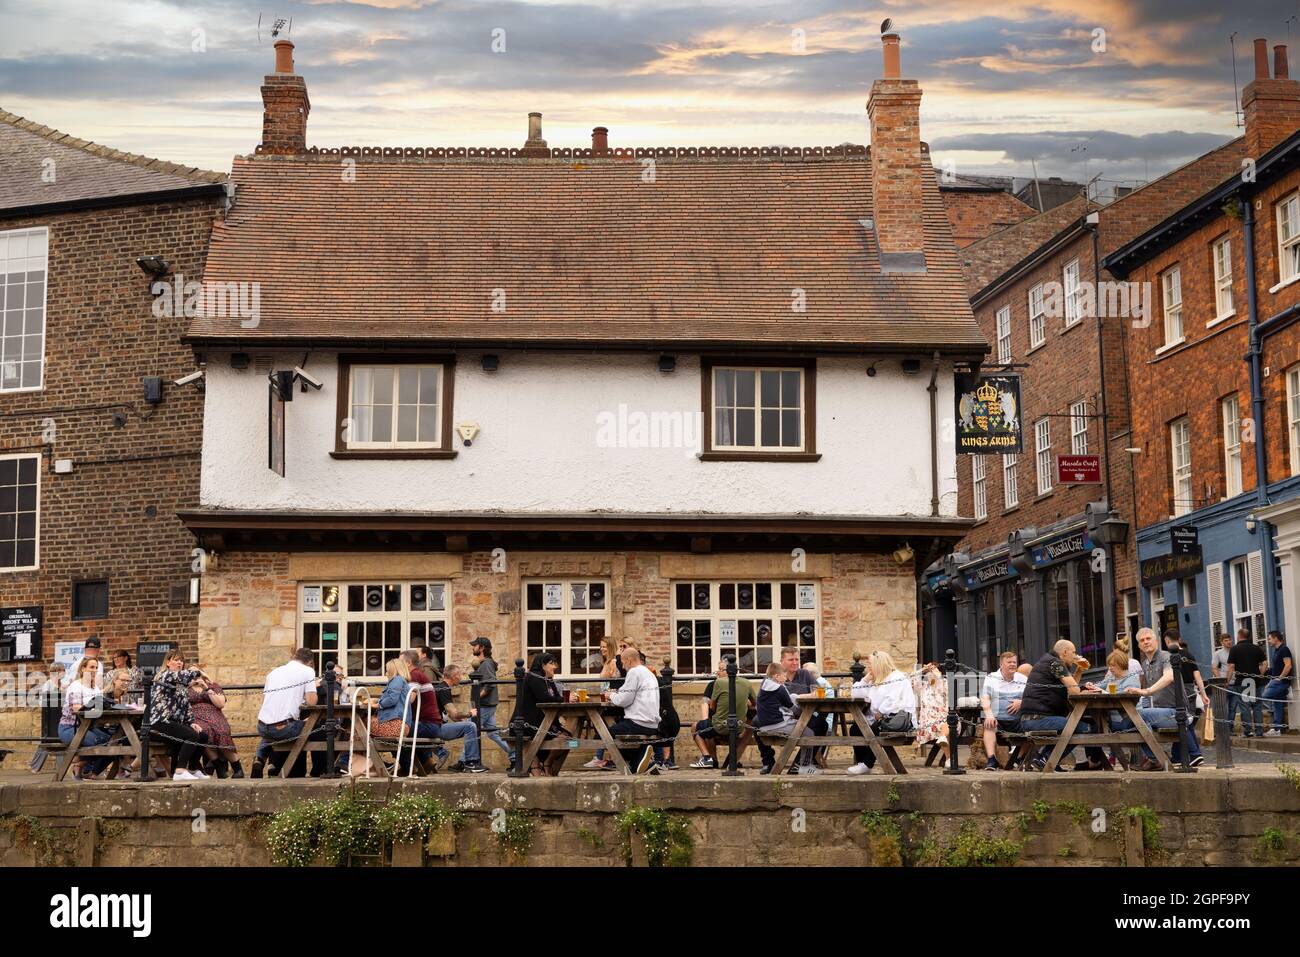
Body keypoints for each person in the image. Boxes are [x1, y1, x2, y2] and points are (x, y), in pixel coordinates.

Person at [1016, 639, 1108, 772]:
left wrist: (1080, 669)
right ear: (1065, 652)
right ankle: (1048, 758)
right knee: (1086, 727)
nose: (1076, 656)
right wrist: (1083, 690)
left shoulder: (1049, 661)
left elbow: (1070, 688)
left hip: (1033, 718)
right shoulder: (1055, 663)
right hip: (1038, 719)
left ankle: (1043, 758)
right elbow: (1074, 691)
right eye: (1074, 653)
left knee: (1079, 725)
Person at [1120, 627, 1203, 769]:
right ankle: (1159, 756)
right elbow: (1147, 695)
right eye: (1142, 640)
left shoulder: (1166, 656)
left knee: (1135, 717)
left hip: (1177, 712)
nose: (1146, 642)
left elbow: (1169, 677)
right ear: (1139, 646)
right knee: (1132, 720)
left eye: (1148, 639)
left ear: (1156, 641)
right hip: (1162, 712)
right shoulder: (1145, 664)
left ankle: (1156, 758)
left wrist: (1147, 691)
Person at [847, 650, 917, 775]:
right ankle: (861, 763)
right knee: (855, 728)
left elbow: (893, 702)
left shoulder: (897, 678)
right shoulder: (876, 679)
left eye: (870, 665)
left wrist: (880, 713)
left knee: (874, 728)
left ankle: (867, 764)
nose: (868, 668)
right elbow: (856, 695)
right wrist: (865, 680)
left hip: (898, 720)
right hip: (879, 719)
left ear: (879, 664)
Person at [252, 648, 318, 778]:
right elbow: (312, 702)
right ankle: (315, 769)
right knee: (314, 725)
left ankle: (260, 758)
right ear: (310, 662)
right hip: (284, 729)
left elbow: (265, 700)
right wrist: (313, 687)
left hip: (262, 727)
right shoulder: (308, 671)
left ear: (294, 657)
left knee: (271, 731)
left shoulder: (274, 672)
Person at [148, 651, 211, 781]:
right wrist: (199, 672)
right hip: (160, 723)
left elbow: (185, 705)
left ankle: (193, 768)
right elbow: (183, 675)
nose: (180, 662)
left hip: (174, 723)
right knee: (191, 735)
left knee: (202, 735)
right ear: (168, 662)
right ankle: (180, 771)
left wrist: (191, 722)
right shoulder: (164, 676)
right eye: (176, 660)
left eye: (181, 660)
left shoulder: (181, 684)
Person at [605, 646, 662, 774]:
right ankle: (645, 762)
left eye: (623, 662)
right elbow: (628, 692)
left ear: (629, 660)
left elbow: (624, 700)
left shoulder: (634, 672)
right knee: (617, 730)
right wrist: (618, 693)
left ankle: (638, 760)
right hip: (652, 723)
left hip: (639, 722)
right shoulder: (648, 673)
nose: (623, 666)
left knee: (605, 734)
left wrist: (611, 695)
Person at [690, 657, 755, 769]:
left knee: (696, 727)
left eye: (722, 670)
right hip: (737, 725)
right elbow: (705, 703)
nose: (719, 673)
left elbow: (712, 705)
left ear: (731, 670)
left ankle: (714, 759)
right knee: (708, 722)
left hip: (723, 725)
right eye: (718, 669)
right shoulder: (745, 683)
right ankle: (714, 760)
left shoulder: (719, 683)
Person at [754, 662, 817, 774]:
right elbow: (793, 709)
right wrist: (802, 709)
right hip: (778, 724)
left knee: (802, 729)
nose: (786, 677)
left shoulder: (764, 685)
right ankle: (805, 766)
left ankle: (802, 765)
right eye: (784, 675)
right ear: (777, 676)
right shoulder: (779, 688)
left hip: (764, 725)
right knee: (809, 733)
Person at [512, 653, 568, 776]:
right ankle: (536, 764)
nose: (555, 667)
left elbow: (556, 696)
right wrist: (563, 698)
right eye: (551, 664)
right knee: (565, 738)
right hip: (528, 724)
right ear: (543, 665)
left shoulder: (544, 679)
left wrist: (551, 680)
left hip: (541, 722)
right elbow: (544, 698)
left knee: (569, 739)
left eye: (555, 663)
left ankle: (547, 763)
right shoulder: (534, 677)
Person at [59, 657, 111, 780]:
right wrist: (93, 708)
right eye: (91, 667)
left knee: (112, 740)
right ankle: (81, 767)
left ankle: (80, 765)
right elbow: (77, 709)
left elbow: (98, 710)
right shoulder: (76, 686)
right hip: (70, 727)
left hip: (89, 727)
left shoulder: (96, 688)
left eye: (96, 668)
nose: (94, 670)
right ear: (83, 668)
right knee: (98, 741)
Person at [429, 663, 487, 773]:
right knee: (471, 726)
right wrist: (469, 714)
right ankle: (471, 763)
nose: (461, 677)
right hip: (435, 728)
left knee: (468, 726)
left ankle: (469, 762)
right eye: (460, 674)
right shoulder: (444, 689)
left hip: (430, 726)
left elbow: (452, 716)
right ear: (454, 676)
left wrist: (461, 722)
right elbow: (454, 714)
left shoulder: (440, 687)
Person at [469, 638, 515, 767]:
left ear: (482, 648)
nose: (473, 648)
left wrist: (478, 697)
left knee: (471, 729)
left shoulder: (487, 664)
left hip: (484, 705)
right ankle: (515, 754)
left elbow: (490, 684)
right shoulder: (484, 663)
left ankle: (465, 760)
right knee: (493, 733)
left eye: (475, 646)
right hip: (487, 704)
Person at [188, 672, 243, 778]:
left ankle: (237, 768)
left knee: (222, 731)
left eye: (197, 673)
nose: (195, 676)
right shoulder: (186, 688)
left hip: (215, 715)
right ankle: (219, 767)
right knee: (203, 732)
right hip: (196, 717)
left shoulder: (213, 686)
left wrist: (207, 687)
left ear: (202, 674)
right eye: (191, 673)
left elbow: (221, 704)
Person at [980, 651, 1026, 770]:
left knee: (1034, 727)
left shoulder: (1023, 679)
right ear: (1001, 664)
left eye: (1014, 662)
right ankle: (992, 760)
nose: (1012, 664)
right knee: (989, 725)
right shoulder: (991, 678)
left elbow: (1032, 698)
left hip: (1018, 720)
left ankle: (1019, 759)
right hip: (998, 720)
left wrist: (1021, 702)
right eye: (1009, 662)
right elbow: (985, 698)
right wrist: (989, 715)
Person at [1225, 628, 1268, 738]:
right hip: (1255, 681)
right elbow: (1265, 663)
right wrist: (1261, 675)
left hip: (1242, 682)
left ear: (1239, 635)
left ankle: (1248, 731)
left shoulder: (1234, 649)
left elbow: (1231, 667)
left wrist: (1227, 681)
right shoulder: (1256, 648)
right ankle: (1259, 731)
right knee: (1257, 706)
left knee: (1245, 706)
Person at [1262, 631, 1294, 737]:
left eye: (1270, 638)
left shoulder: (1284, 649)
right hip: (1275, 680)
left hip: (1281, 682)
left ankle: (1276, 726)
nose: (1268, 641)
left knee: (1264, 696)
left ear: (1276, 638)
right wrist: (1270, 678)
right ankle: (1277, 729)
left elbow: (1288, 665)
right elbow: (1276, 668)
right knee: (1277, 705)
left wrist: (1279, 679)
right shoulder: (1276, 651)